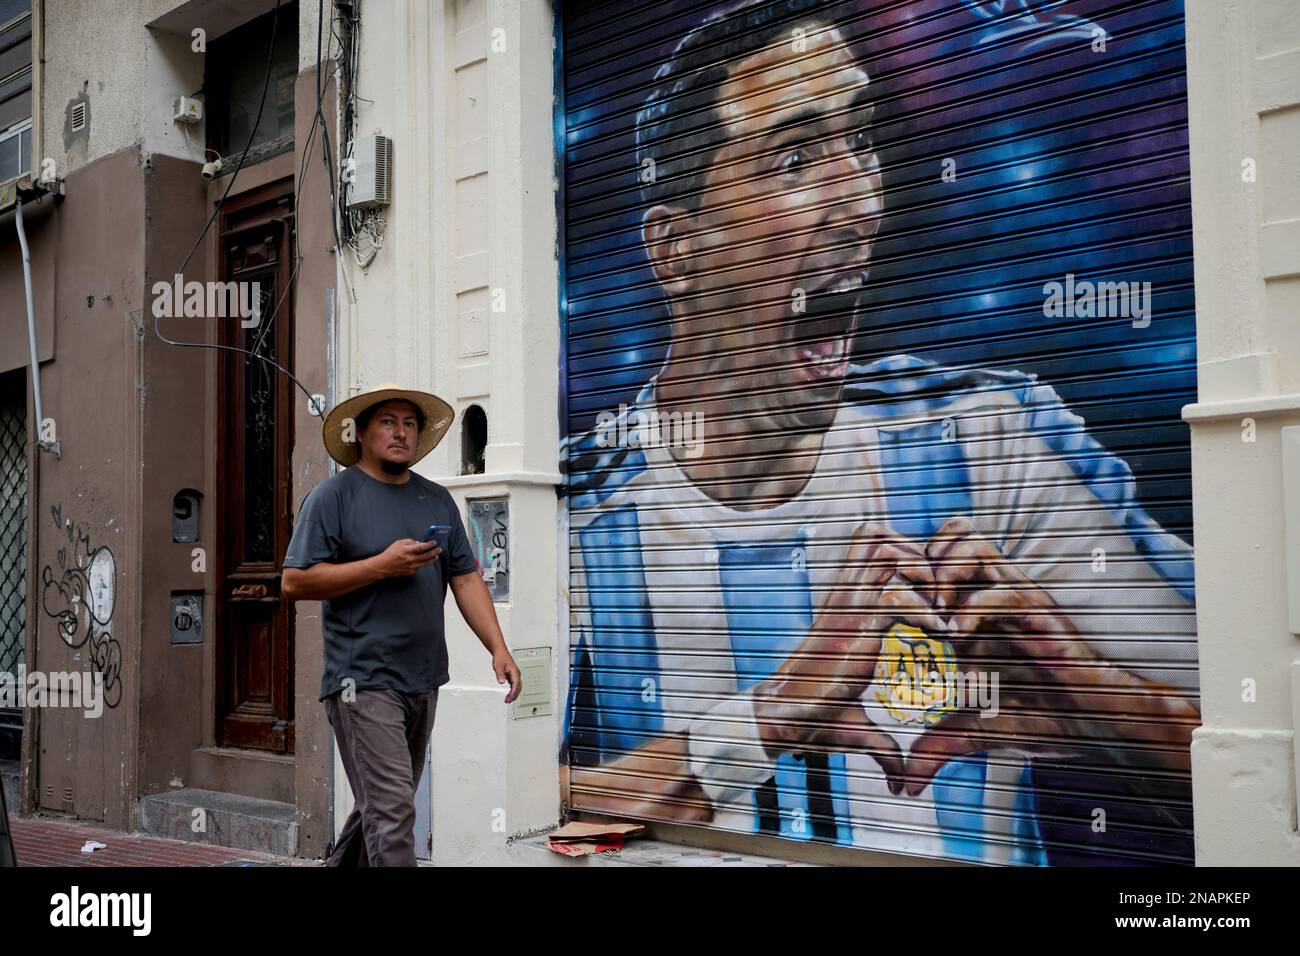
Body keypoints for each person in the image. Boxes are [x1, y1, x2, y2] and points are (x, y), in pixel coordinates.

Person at [560, 0, 1199, 865]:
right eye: (794, 158)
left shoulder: (986, 440)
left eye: (861, 143)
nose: (862, 200)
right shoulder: (571, 508)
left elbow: (1260, 751)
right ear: (676, 251)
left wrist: (1096, 697)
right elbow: (498, 784)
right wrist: (775, 713)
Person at [282, 383, 522, 866]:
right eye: (388, 422)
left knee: (380, 808)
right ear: (363, 433)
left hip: (422, 678)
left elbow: (466, 578)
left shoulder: (435, 501)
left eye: (410, 423)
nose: (401, 432)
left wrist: (499, 647)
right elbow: (294, 582)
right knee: (392, 814)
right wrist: (380, 566)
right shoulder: (333, 497)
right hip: (362, 680)